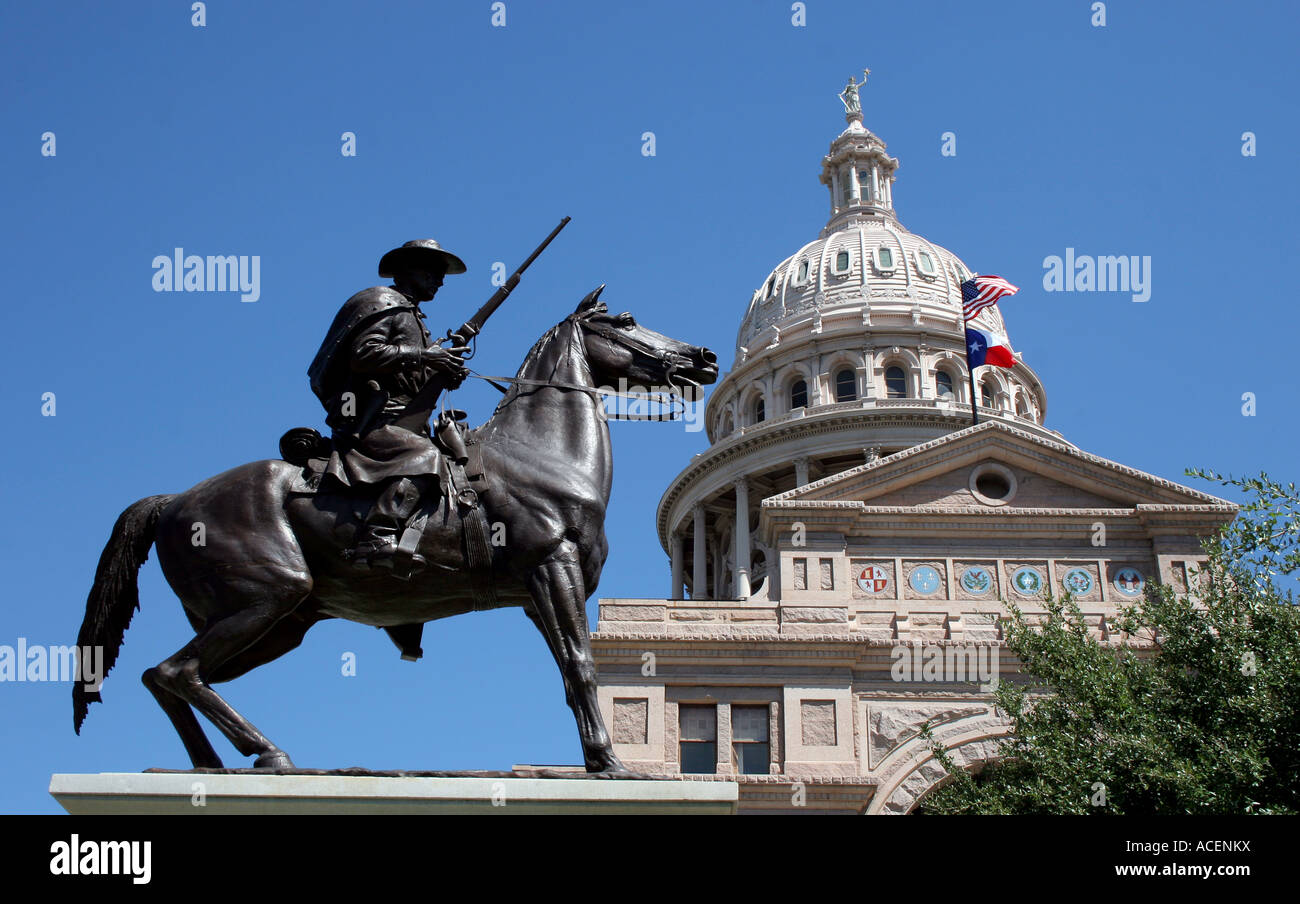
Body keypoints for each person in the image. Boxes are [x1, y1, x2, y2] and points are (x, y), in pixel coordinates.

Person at [307, 239, 470, 577]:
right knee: (425, 457)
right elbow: (363, 354)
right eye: (433, 272)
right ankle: (378, 534)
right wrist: (426, 355)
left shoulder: (413, 316)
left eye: (442, 275)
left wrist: (445, 371)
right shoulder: (382, 302)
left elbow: (411, 378)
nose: (440, 281)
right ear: (409, 270)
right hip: (373, 421)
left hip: (405, 421)